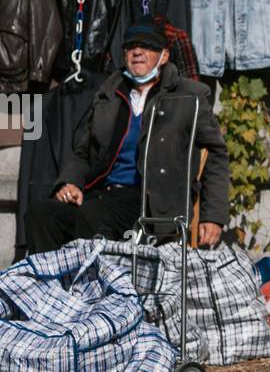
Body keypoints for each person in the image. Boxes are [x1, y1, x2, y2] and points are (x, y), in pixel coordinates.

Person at [25, 20, 229, 253]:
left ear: (163, 56)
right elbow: (83, 151)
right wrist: (70, 182)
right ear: (124, 55)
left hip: (152, 201)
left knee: (94, 215)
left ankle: (90, 286)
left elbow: (216, 155)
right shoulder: (108, 93)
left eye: (147, 47)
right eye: (131, 47)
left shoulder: (188, 96)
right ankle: (50, 287)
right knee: (41, 214)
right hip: (103, 195)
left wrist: (213, 216)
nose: (138, 52)